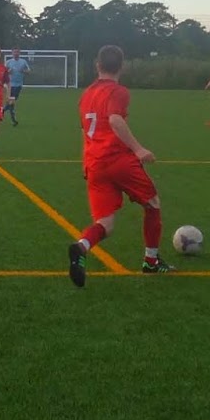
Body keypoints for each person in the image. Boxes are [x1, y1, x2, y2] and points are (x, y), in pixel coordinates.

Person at [67, 44, 172, 287]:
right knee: (152, 203)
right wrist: (138, 149)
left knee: (105, 224)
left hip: (94, 163)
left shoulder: (86, 94)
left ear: (97, 65)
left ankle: (82, 246)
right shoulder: (118, 91)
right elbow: (115, 119)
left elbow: (85, 130)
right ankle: (151, 261)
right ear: (121, 67)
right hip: (118, 160)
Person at [3, 48, 31, 126]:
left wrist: (24, 71)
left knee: (11, 101)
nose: (16, 53)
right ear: (12, 53)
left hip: (18, 85)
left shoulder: (23, 62)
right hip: (9, 85)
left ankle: (2, 111)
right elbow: (3, 73)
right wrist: (8, 72)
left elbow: (29, 71)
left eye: (17, 52)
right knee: (11, 101)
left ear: (19, 53)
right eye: (14, 52)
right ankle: (13, 120)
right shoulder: (8, 62)